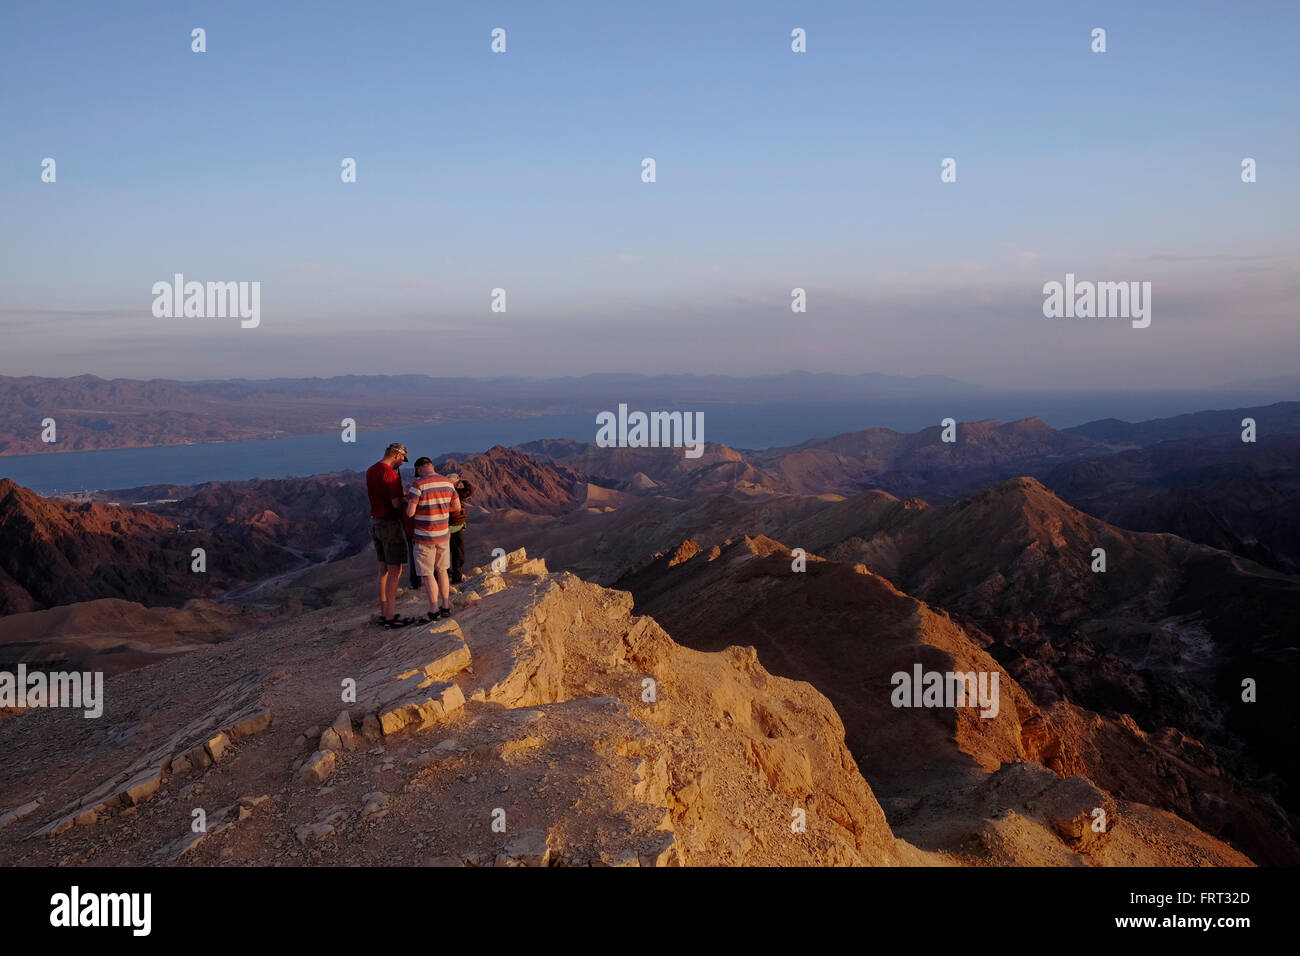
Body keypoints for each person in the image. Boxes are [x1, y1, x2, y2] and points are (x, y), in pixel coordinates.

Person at [405, 457, 461, 621]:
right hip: (443, 535)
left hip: (424, 537)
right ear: (431, 466)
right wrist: (441, 510)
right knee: (442, 571)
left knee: (428, 574)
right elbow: (456, 507)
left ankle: (433, 611)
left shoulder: (418, 485)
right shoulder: (448, 483)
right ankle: (445, 607)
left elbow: (410, 513)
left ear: (419, 469)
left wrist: (411, 499)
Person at [366, 441, 413, 627]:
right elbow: (395, 503)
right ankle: (391, 616)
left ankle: (384, 611)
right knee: (395, 570)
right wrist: (408, 499)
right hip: (390, 524)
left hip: (375, 522)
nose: (402, 463)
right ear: (396, 455)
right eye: (402, 459)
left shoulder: (371, 470)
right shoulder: (390, 474)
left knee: (382, 569)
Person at [445, 473, 474, 584]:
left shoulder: (454, 492)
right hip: (454, 528)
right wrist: (462, 480)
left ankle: (450, 576)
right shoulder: (454, 493)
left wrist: (461, 481)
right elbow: (470, 490)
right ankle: (454, 577)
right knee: (457, 553)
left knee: (450, 553)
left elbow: (470, 490)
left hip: (450, 527)